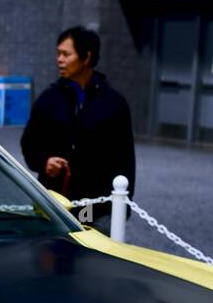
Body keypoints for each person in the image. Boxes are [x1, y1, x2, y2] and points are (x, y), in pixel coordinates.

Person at [21, 26, 135, 235]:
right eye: (58, 54)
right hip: (55, 199)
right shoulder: (49, 99)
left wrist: (122, 207)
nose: (60, 60)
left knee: (91, 260)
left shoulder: (114, 103)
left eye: (66, 54)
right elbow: (29, 142)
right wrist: (44, 162)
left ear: (86, 57)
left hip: (97, 203)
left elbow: (125, 157)